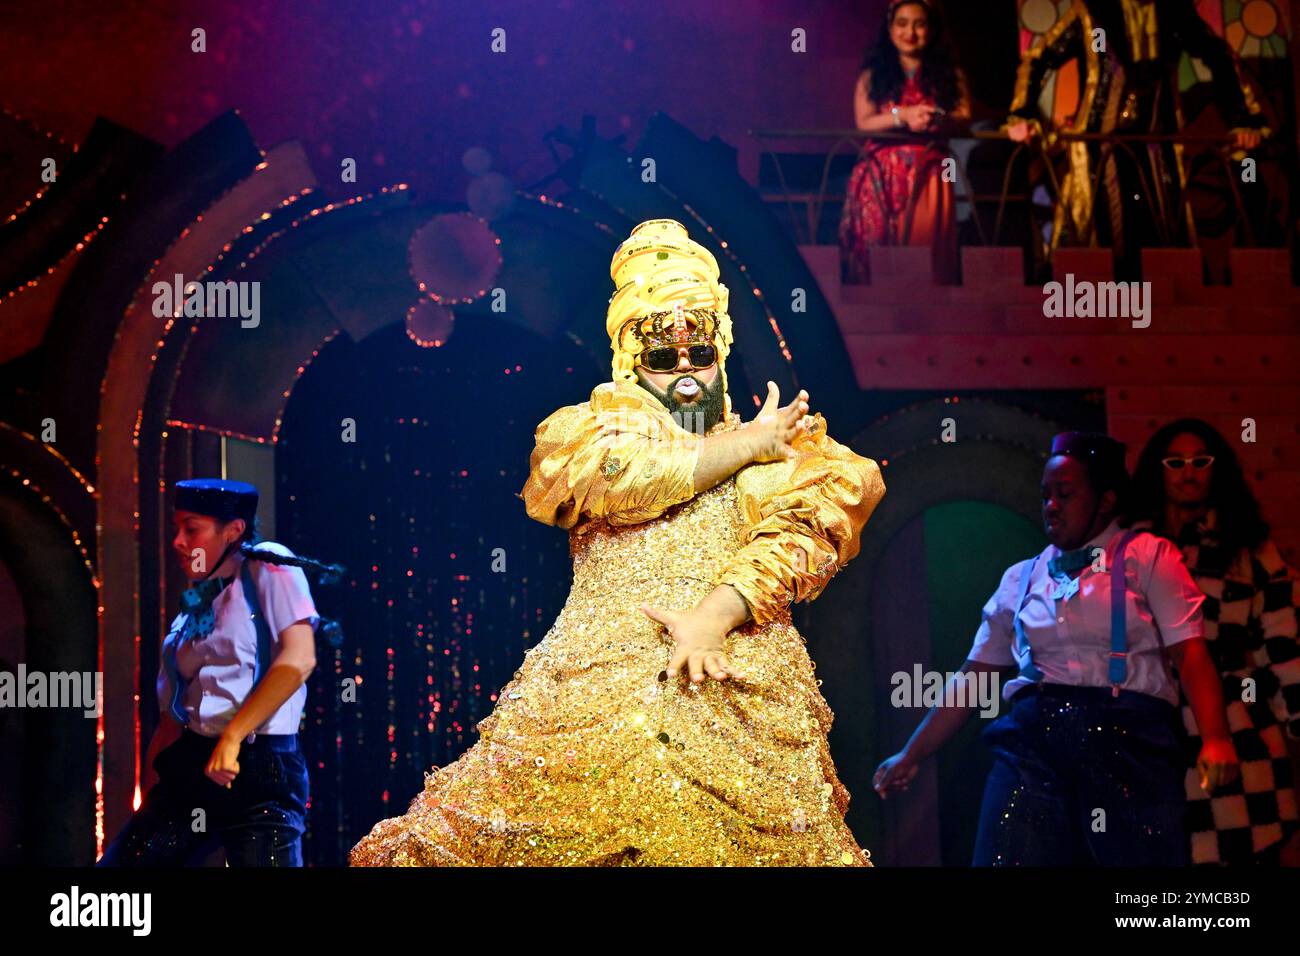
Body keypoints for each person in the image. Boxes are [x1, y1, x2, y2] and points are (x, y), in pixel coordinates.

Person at [351, 218, 886, 866]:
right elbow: (627, 479)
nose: (686, 374)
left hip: (731, 684)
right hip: (591, 698)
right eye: (665, 357)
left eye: (700, 354)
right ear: (634, 364)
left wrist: (712, 619)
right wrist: (743, 445)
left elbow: (804, 533)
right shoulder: (589, 435)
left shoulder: (787, 449)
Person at [874, 432, 1238, 865]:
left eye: (1065, 494)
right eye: (1046, 495)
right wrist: (912, 753)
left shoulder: (1149, 556)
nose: (1051, 505)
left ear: (1104, 500)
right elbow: (973, 679)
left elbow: (1189, 652)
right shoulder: (1023, 577)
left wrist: (1216, 738)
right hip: (1033, 745)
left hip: (1128, 742)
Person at [97, 478, 330, 867]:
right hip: (193, 764)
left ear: (234, 530)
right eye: (177, 529)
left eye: (192, 528)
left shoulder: (266, 565)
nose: (178, 541)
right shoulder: (195, 607)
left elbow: (300, 657)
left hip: (259, 767)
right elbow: (173, 719)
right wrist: (150, 801)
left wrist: (233, 736)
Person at [1131, 419, 1300, 865]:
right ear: (1158, 470)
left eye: (1200, 461)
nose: (1188, 472)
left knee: (1250, 850)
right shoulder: (1131, 548)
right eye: (1176, 462)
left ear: (1217, 469)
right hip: (1156, 722)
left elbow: (1282, 641)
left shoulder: (1249, 547)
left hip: (1240, 722)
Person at [1005, 0, 1268, 275]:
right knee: (1098, 251)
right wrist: (1022, 114)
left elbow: (1217, 54)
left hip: (1157, 150)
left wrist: (1243, 121)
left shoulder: (1172, 11)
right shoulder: (1091, 12)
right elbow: (1038, 57)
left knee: (1162, 253)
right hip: (1099, 150)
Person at [838, 0, 971, 285]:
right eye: (902, 23)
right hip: (881, 173)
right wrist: (903, 116)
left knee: (926, 253)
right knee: (879, 256)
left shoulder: (949, 74)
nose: (910, 32)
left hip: (930, 172)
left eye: (919, 24)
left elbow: (964, 117)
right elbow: (864, 122)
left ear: (931, 29)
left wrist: (938, 120)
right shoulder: (873, 75)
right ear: (890, 28)